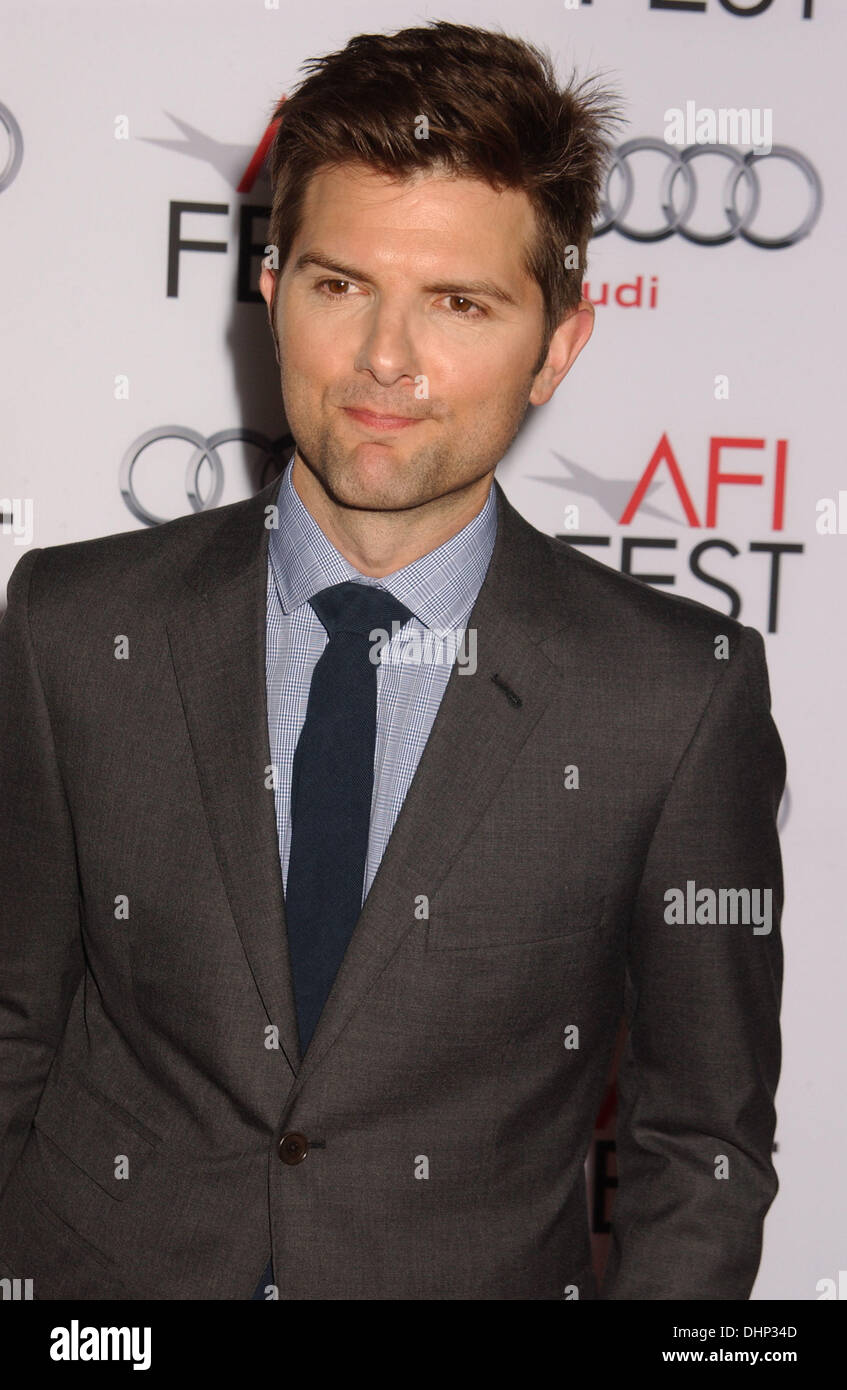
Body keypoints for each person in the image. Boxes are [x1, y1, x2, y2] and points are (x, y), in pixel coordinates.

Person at [0, 19, 784, 1301]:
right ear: (269, 285)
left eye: (459, 304)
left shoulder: (673, 695)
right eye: (340, 284)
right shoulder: (74, 626)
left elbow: (699, 1143)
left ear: (558, 346)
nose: (384, 360)